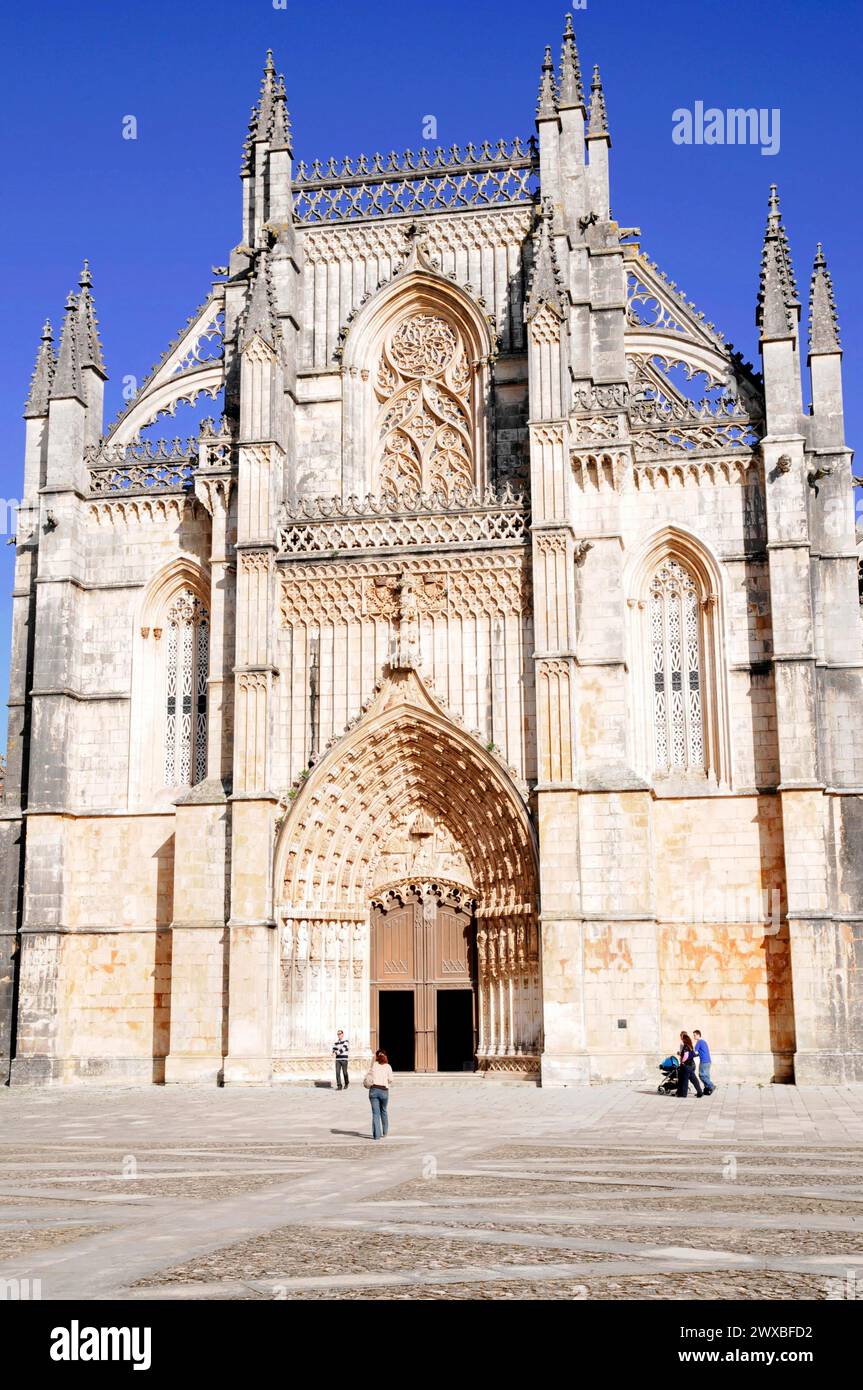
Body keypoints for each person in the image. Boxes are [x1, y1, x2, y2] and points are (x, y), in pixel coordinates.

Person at [364, 1049, 394, 1140]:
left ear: (377, 1057)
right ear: (385, 1056)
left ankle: (377, 1136)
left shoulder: (374, 1065)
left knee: (375, 1113)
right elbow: (391, 1079)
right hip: (384, 1091)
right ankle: (385, 1132)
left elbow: (369, 1076)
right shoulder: (388, 1066)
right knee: (383, 1111)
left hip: (374, 1090)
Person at [676, 1031, 703, 1098]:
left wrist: (682, 1061)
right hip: (691, 1065)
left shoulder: (685, 1046)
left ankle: (683, 1094)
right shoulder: (690, 1045)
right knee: (694, 1079)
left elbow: (686, 1055)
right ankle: (700, 1092)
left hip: (687, 1065)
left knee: (685, 1080)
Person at [693, 1030, 715, 1095]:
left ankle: (711, 1086)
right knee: (707, 1076)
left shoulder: (699, 1042)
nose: (693, 1037)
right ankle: (707, 1090)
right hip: (708, 1061)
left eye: (694, 1035)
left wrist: (689, 1055)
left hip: (704, 1061)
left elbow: (695, 1052)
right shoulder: (704, 1042)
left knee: (701, 1075)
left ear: (698, 1035)